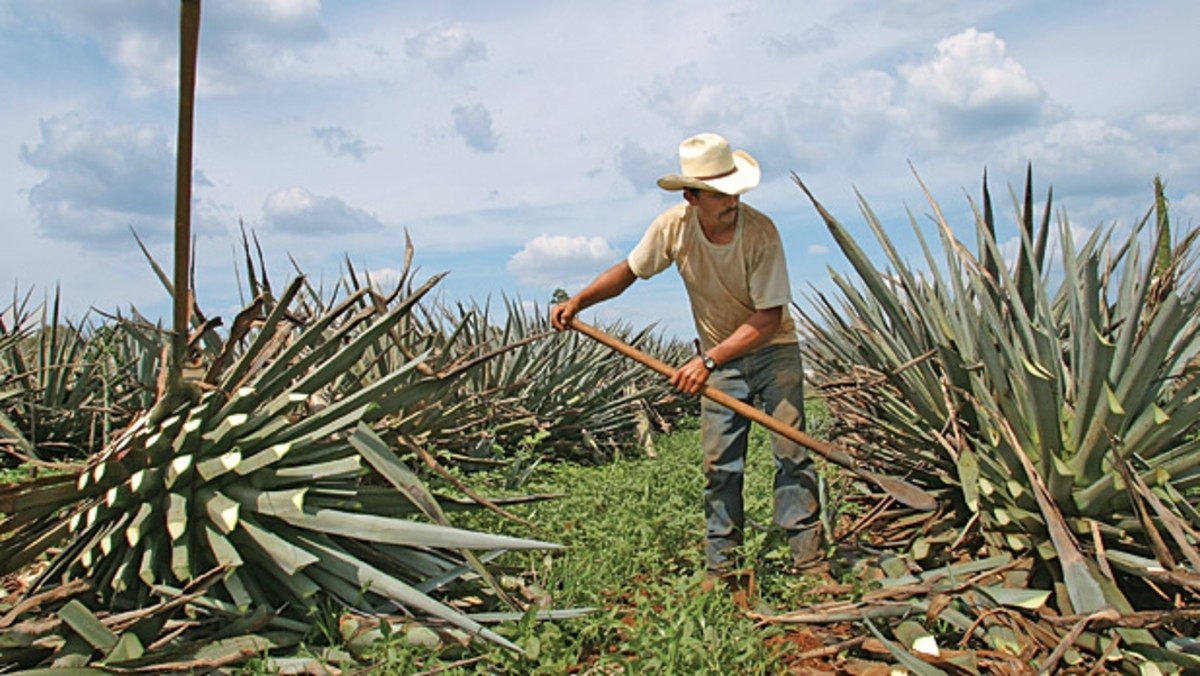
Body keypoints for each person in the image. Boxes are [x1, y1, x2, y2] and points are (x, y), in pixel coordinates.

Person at [550, 132, 822, 576]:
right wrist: (579, 301)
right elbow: (628, 272)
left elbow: (769, 318)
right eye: (717, 193)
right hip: (721, 359)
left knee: (792, 454)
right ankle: (723, 569)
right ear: (691, 196)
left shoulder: (761, 233)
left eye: (733, 190)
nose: (730, 201)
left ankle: (809, 563)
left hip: (774, 352)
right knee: (719, 464)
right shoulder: (672, 228)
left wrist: (707, 361)